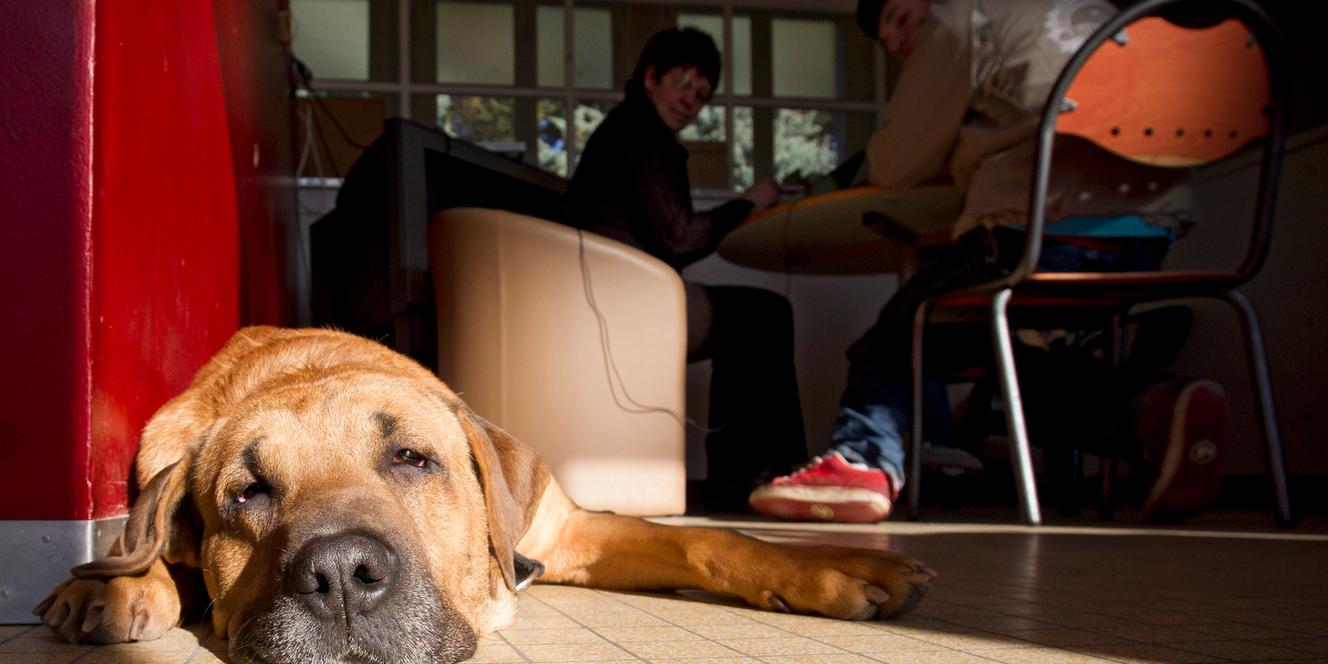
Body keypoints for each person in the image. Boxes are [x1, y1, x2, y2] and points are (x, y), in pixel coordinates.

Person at [747, 0, 1225, 523]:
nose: (901, 41)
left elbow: (897, 163)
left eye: (900, 21)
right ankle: (1154, 408)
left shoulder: (959, 19)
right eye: (889, 41)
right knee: (1007, 367)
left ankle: (863, 462)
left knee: (893, 338)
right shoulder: (1097, 11)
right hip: (1148, 234)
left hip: (1037, 230)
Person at [567, 27, 808, 512]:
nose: (690, 100)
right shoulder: (639, 131)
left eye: (701, 94)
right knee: (764, 315)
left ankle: (744, 481)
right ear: (652, 77)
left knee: (754, 317)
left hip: (612, 291)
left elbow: (672, 239)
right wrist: (748, 201)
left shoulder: (632, 131)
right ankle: (770, 477)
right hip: (621, 299)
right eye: (683, 83)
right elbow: (680, 238)